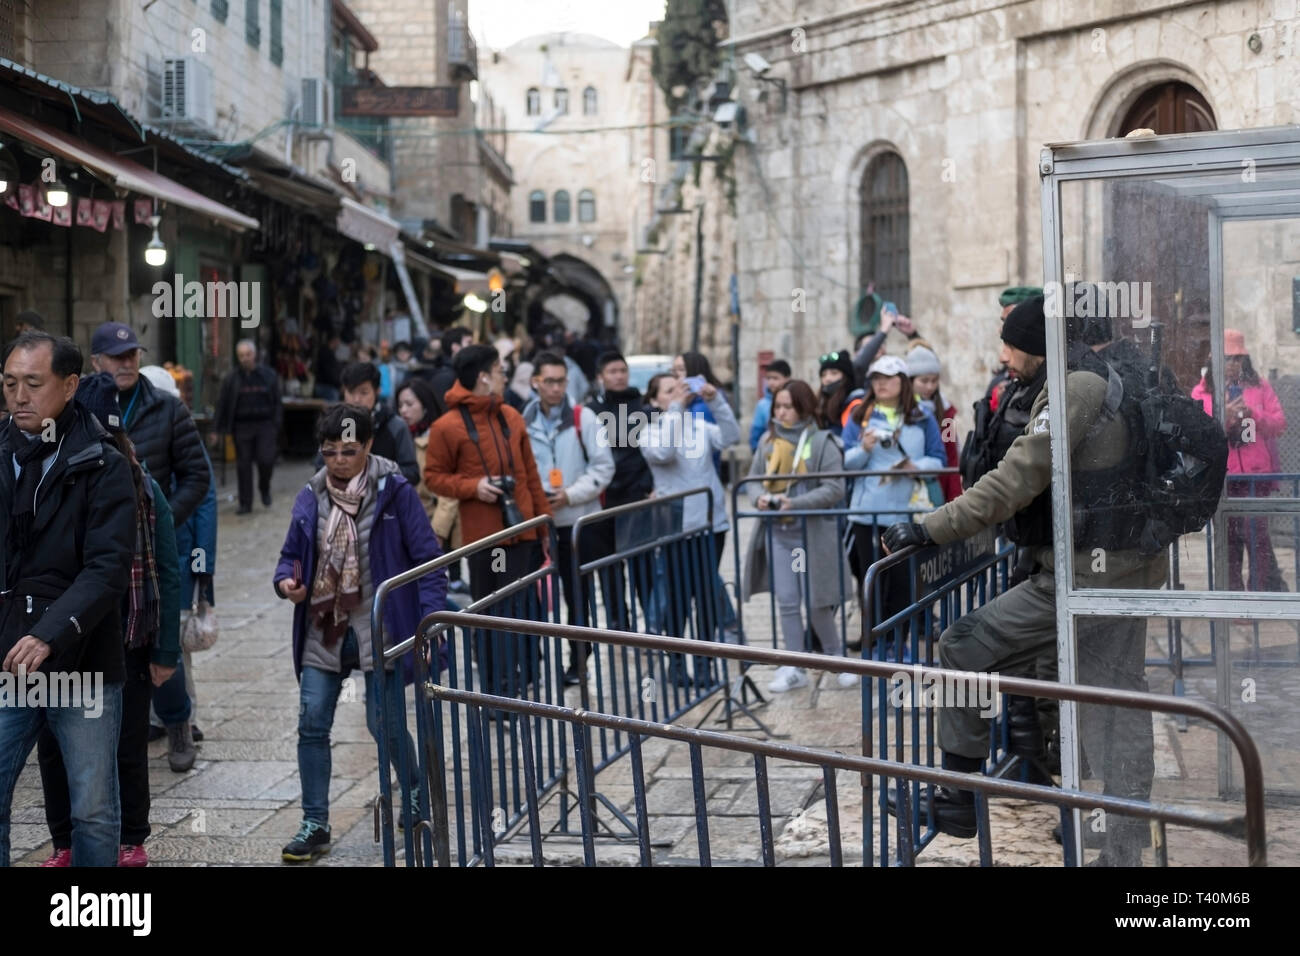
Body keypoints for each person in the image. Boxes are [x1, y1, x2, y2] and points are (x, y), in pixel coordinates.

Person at [881, 296, 1163, 865]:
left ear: (1037, 346)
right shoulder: (1101, 379)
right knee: (1111, 701)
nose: (1004, 355)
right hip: (1119, 570)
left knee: (961, 646)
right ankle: (1126, 845)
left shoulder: (1075, 389)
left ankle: (957, 798)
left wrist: (930, 529)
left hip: (1083, 579)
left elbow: (1014, 478)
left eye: (1011, 344)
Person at [273, 403, 447, 862]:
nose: (338, 461)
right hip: (324, 626)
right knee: (312, 723)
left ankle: (413, 796)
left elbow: (428, 562)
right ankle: (315, 822)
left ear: (369, 446)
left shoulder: (395, 492)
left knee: (384, 723)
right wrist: (286, 582)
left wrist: (430, 622)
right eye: (329, 452)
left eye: (349, 451)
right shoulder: (312, 494)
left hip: (380, 626)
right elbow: (291, 554)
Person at [0, 330, 136, 867]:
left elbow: (107, 569)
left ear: (70, 385)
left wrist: (50, 634)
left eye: (34, 383)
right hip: (10, 661)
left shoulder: (103, 464)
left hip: (84, 665)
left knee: (93, 811)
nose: (19, 396)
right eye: (10, 383)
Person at [37, 372, 182, 868]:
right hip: (62, 642)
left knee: (125, 746)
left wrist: (165, 650)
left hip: (127, 640)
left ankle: (130, 838)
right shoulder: (50, 476)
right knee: (54, 749)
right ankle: (65, 842)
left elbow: (167, 568)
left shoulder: (144, 488)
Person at [424, 344, 552, 693]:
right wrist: (473, 486)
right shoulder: (446, 426)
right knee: (491, 615)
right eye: (498, 368)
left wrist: (544, 523)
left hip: (523, 532)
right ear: (483, 376)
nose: (504, 374)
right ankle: (497, 690)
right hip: (485, 541)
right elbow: (433, 477)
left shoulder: (511, 416)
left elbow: (530, 474)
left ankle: (527, 681)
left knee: (526, 610)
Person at [742, 380, 854, 692]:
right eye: (777, 406)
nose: (781, 412)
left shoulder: (823, 442)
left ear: (803, 407)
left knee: (817, 602)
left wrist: (795, 503)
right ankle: (794, 665)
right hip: (780, 535)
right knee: (788, 601)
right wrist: (759, 499)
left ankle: (837, 660)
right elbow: (752, 481)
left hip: (811, 537)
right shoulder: (768, 441)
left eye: (787, 406)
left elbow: (834, 488)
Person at [842, 355, 945, 659]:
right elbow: (844, 464)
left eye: (888, 378)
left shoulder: (923, 417)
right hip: (866, 514)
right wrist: (864, 448)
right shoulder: (860, 414)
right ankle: (875, 644)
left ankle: (900, 642)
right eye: (876, 378)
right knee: (872, 582)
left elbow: (938, 460)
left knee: (903, 583)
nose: (881, 384)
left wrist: (914, 466)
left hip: (905, 514)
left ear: (902, 380)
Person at [522, 352, 614, 685]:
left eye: (561, 381)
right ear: (536, 382)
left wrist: (570, 494)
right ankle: (534, 661)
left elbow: (604, 466)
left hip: (577, 522)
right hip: (540, 524)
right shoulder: (523, 421)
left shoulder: (583, 418)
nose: (556, 388)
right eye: (549, 381)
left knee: (578, 595)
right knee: (534, 595)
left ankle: (579, 660)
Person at [640, 372, 739, 645]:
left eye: (680, 389)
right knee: (678, 597)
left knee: (707, 595)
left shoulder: (699, 426)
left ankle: (706, 658)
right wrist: (675, 409)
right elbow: (664, 452)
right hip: (677, 529)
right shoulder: (650, 432)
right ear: (654, 400)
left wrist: (716, 400)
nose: (677, 394)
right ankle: (677, 662)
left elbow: (731, 436)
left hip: (711, 524)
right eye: (669, 391)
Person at [140, 365, 208, 761]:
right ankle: (155, 718)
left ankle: (183, 720)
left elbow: (205, 501)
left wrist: (205, 571)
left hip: (177, 553)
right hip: (142, 556)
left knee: (174, 641)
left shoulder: (178, 433)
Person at [1192, 329, 1288, 593]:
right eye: (1227, 358)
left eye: (1237, 358)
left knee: (1256, 538)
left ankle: (1257, 597)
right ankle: (1233, 597)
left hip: (1256, 477)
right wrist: (1225, 417)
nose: (1233, 364)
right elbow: (1197, 432)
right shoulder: (1201, 393)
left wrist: (1252, 413)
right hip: (1222, 478)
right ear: (1214, 361)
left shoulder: (1260, 388)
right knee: (1227, 541)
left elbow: (1279, 424)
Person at [90, 322, 210, 530]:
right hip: (95, 532)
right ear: (96, 362)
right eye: (117, 357)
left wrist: (164, 519)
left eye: (132, 355)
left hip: (148, 535)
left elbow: (197, 475)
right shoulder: (79, 407)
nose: (127, 364)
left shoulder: (168, 407)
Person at [587, 351, 657, 624]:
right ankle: (618, 622)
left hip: (636, 497)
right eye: (612, 371)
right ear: (601, 377)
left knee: (643, 564)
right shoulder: (592, 411)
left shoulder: (643, 409)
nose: (619, 376)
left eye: (622, 370)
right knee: (609, 566)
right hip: (605, 500)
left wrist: (649, 486)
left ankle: (651, 621)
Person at [397, 377, 465, 592]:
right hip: (407, 523)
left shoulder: (438, 436)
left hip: (433, 524)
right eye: (400, 405)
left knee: (432, 591)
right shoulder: (398, 437)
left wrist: (437, 532)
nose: (403, 411)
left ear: (425, 404)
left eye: (409, 404)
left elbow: (449, 493)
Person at [216, 339, 282, 514]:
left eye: (248, 354)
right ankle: (245, 503)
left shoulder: (268, 375)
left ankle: (264, 488)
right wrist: (218, 429)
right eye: (241, 355)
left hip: (265, 424)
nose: (245, 358)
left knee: (266, 459)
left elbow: (277, 402)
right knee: (243, 465)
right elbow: (222, 403)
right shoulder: (231, 378)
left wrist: (276, 424)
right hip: (242, 425)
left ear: (255, 355)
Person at [334, 361, 420, 485]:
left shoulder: (396, 426)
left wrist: (375, 475)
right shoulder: (335, 425)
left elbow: (412, 473)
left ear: (377, 391)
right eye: (351, 392)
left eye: (363, 393)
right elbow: (321, 468)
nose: (356, 400)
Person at [906, 344, 961, 502]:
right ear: (910, 381)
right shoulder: (902, 410)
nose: (930, 386)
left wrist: (954, 495)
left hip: (939, 485)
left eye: (934, 381)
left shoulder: (946, 412)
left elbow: (951, 454)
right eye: (924, 381)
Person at [983, 287, 1043, 411]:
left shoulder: (1057, 390)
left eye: (1012, 320)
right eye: (1004, 322)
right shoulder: (1003, 381)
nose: (1001, 329)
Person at [815, 349, 865, 440]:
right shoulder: (820, 404)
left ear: (846, 377)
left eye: (834, 373)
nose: (827, 379)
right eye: (823, 375)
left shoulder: (855, 404)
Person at [749, 359, 792, 452]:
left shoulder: (795, 400)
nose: (771, 382)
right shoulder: (762, 405)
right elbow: (756, 435)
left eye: (775, 378)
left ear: (787, 378)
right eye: (768, 378)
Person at [314, 333, 343, 401]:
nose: (339, 344)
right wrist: (339, 385)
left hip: (324, 386)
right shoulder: (327, 354)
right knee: (333, 409)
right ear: (334, 341)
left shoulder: (327, 352)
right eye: (338, 341)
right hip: (327, 387)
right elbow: (330, 373)